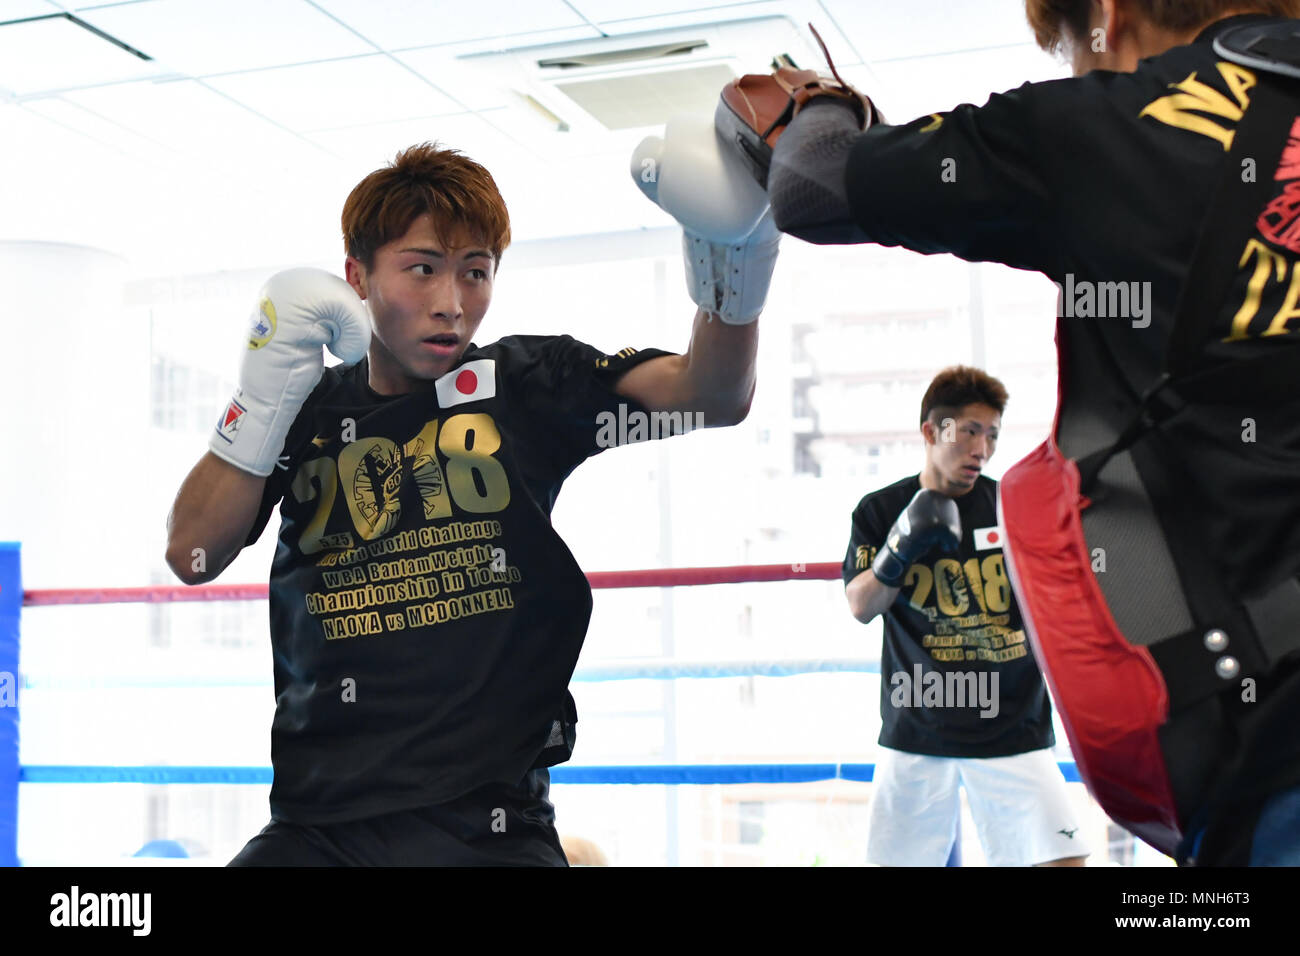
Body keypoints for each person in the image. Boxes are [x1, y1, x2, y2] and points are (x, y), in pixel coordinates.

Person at [723, 0, 1300, 865]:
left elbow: (813, 183)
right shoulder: (889, 505)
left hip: (1265, 752)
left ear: (1105, 14)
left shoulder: (1109, 126)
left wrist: (820, 103)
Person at [163, 132, 779, 865]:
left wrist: (735, 259)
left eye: (476, 273)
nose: (452, 305)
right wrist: (259, 403)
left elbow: (710, 395)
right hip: (316, 824)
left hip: (488, 822)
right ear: (356, 276)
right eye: (421, 270)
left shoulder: (522, 383)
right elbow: (192, 553)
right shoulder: (303, 409)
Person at [843, 366, 1088, 867]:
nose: (982, 448)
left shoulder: (1014, 507)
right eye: (970, 431)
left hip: (1011, 723)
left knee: (1063, 862)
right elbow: (861, 606)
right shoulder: (881, 509)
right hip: (917, 725)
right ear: (932, 431)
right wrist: (900, 546)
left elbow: (1062, 599)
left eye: (993, 434)